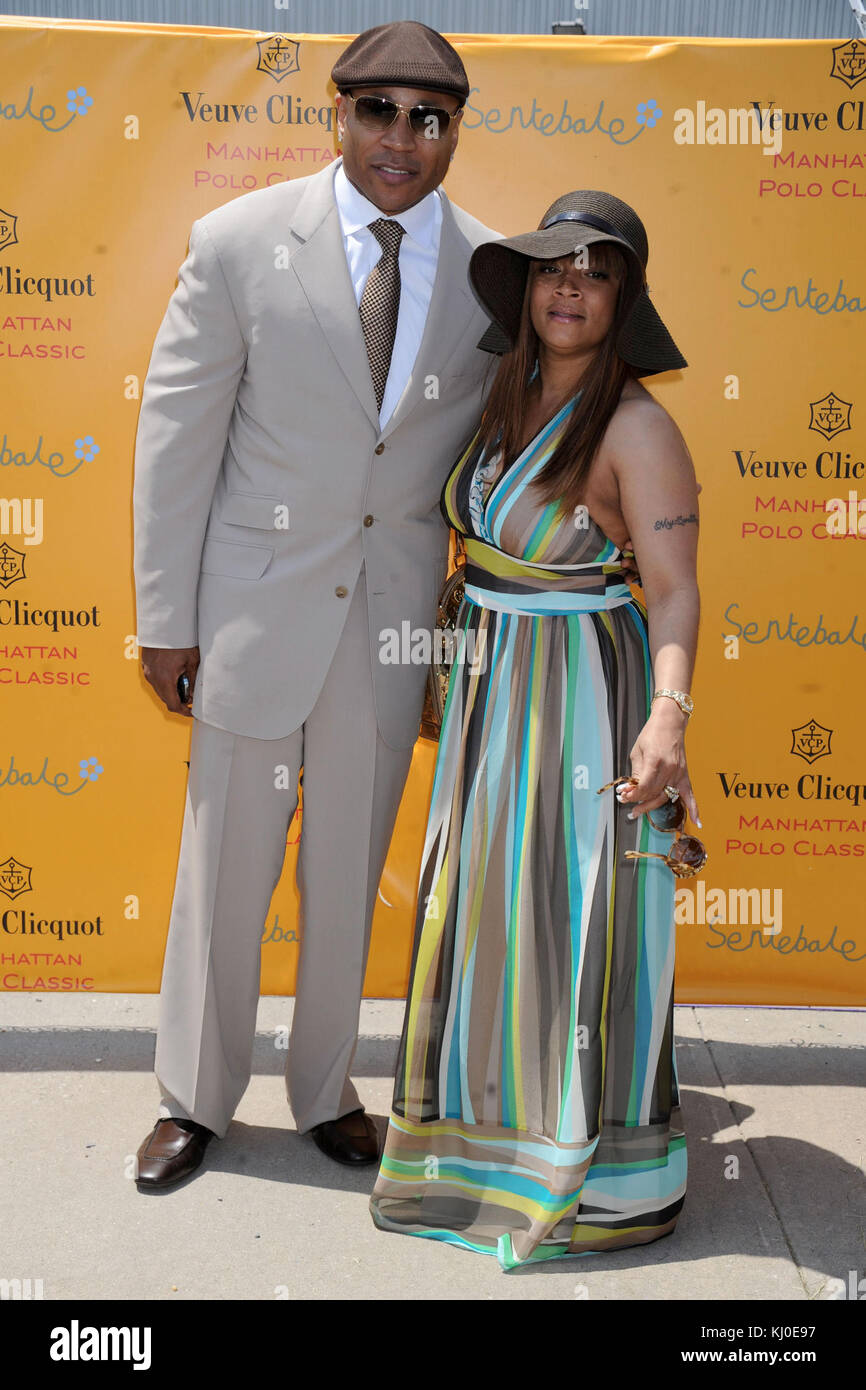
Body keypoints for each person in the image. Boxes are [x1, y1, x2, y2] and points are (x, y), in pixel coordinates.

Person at [131, 21, 501, 1189]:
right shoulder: (238, 242)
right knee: (225, 868)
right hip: (248, 611)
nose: (401, 139)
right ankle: (194, 1097)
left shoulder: (497, 269)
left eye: (426, 118)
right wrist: (165, 618)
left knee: (346, 870)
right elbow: (176, 440)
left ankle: (326, 1089)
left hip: (387, 628)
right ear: (333, 113)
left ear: (451, 132)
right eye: (378, 111)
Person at [369, 189, 703, 1270]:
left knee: (570, 927)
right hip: (489, 690)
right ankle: (471, 1161)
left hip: (578, 702)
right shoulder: (497, 399)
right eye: (553, 266)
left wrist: (666, 716)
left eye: (596, 270)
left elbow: (677, 591)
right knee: (484, 920)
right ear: (524, 291)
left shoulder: (638, 426)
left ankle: (589, 1176)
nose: (569, 284)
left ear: (621, 301)